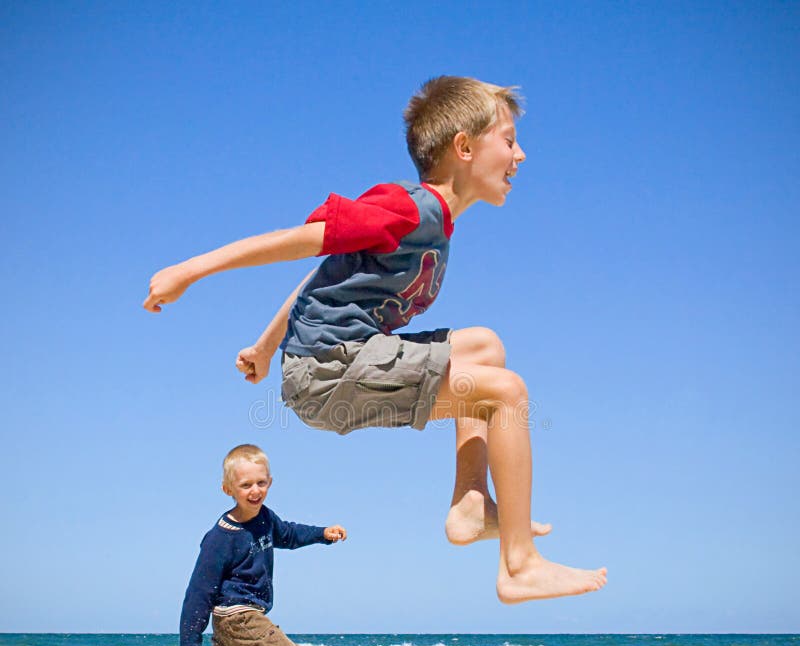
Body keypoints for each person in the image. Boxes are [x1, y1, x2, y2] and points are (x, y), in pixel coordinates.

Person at [143, 76, 607, 604]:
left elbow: (326, 273)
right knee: (507, 391)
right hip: (330, 370)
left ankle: (471, 502)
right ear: (464, 147)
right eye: (508, 139)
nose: (520, 154)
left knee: (485, 347)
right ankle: (519, 565)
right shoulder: (410, 208)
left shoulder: (434, 225)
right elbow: (301, 242)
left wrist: (267, 346)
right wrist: (190, 270)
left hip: (334, 362)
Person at [135, 444, 367, 646]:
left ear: (270, 482)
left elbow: (289, 534)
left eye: (261, 483)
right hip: (237, 615)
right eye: (246, 485)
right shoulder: (221, 537)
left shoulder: (265, 520)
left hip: (244, 616)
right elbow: (199, 591)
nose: (255, 491)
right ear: (228, 489)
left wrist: (322, 534)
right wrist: (189, 642)